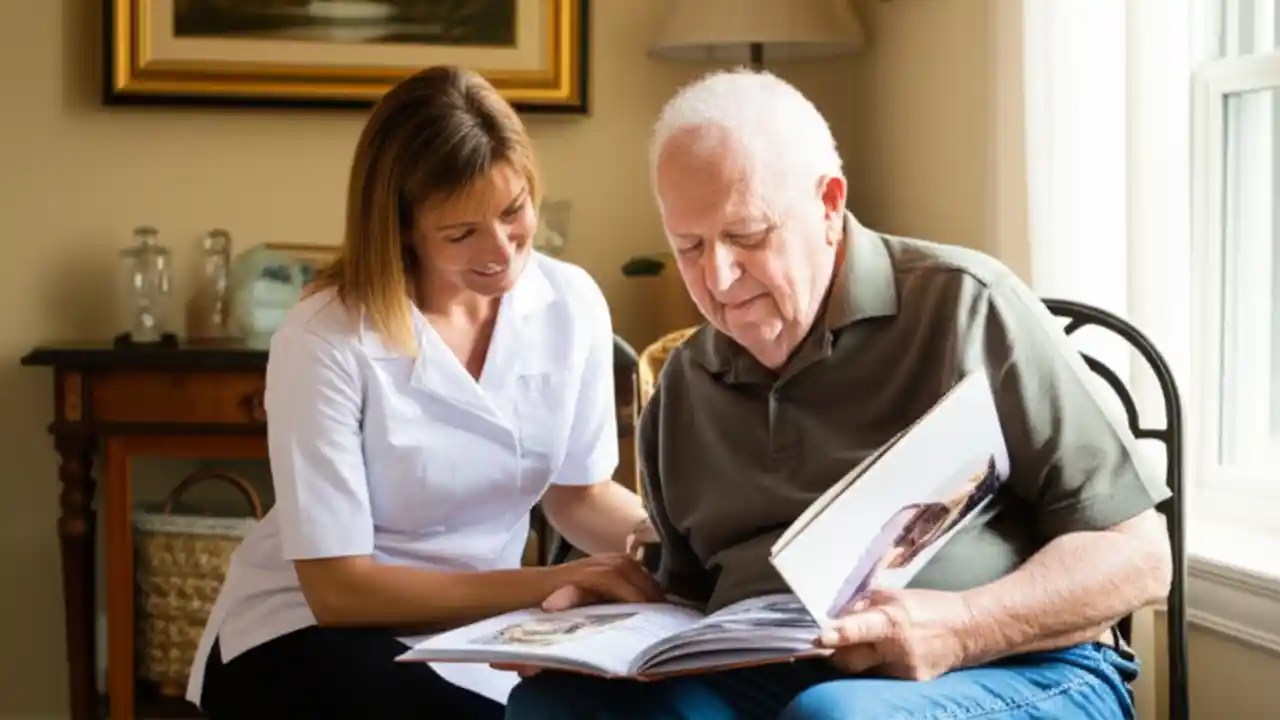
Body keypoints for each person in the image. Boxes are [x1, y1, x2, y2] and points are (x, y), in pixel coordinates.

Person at [504, 69, 1173, 719]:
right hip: (769, 674)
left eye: (747, 236)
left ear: (828, 205)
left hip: (1018, 667)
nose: (719, 276)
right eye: (689, 246)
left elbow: (1140, 556)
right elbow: (688, 604)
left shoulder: (966, 310)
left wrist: (965, 626)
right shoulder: (685, 385)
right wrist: (595, 635)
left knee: (839, 715)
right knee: (557, 705)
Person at [185, 66, 662, 719]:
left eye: (513, 211)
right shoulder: (326, 337)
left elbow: (577, 494)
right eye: (461, 233)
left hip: (483, 626)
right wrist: (552, 580)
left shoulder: (570, 302)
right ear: (402, 227)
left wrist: (675, 548)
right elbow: (338, 590)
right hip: (307, 632)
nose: (500, 252)